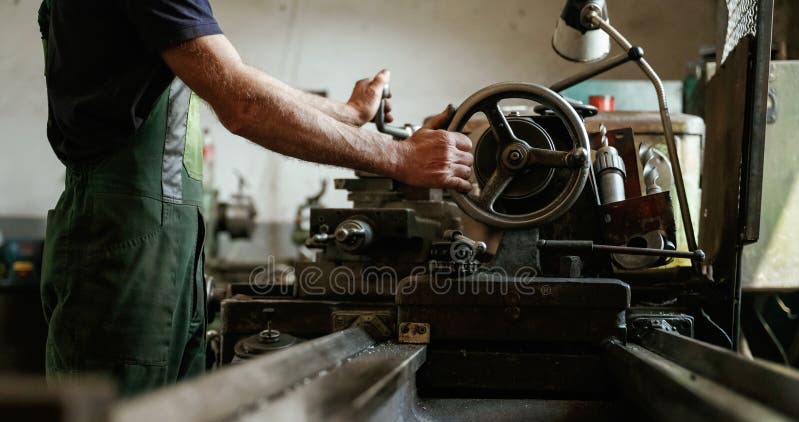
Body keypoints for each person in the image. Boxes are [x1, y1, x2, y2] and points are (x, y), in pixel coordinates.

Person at [37, 0, 474, 396]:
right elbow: (241, 102)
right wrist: (398, 157)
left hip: (162, 241)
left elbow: (238, 78)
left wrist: (350, 115)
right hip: (124, 238)